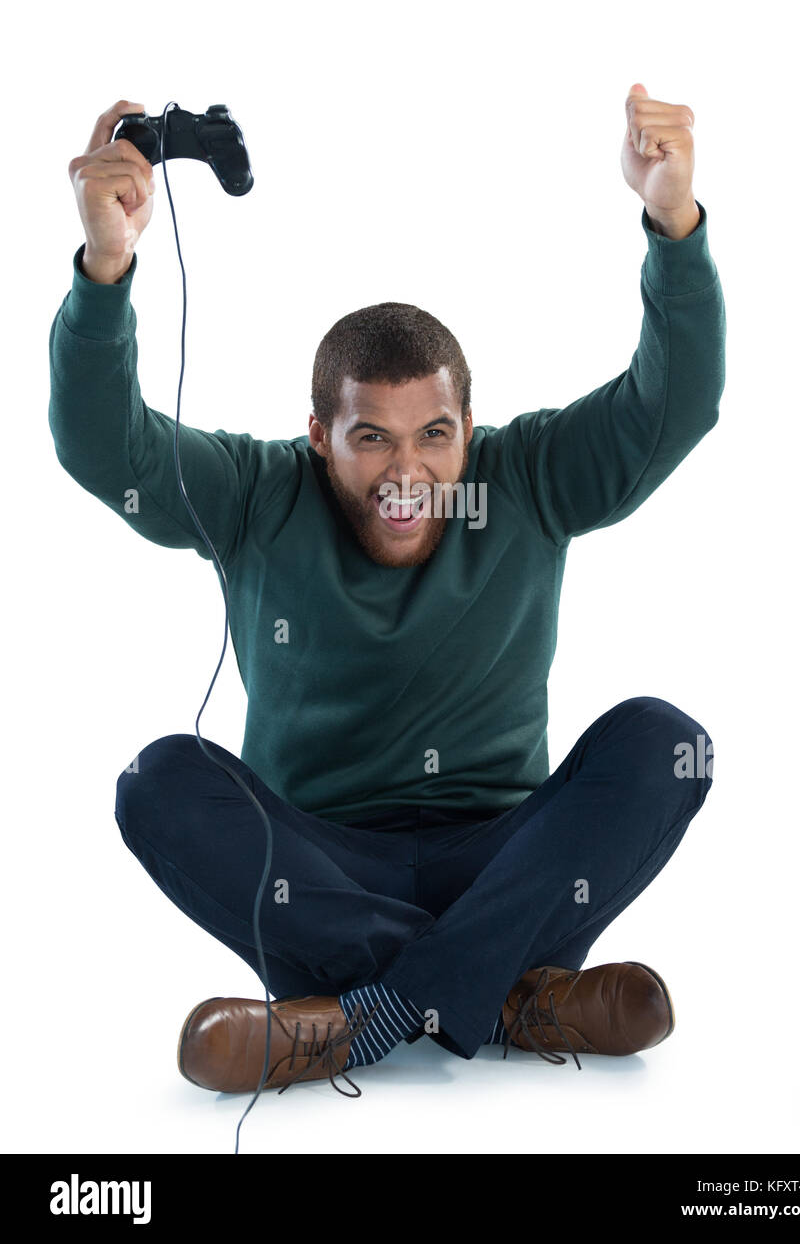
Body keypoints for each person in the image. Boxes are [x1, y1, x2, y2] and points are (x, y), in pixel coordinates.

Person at [49, 86, 725, 1098]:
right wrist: (106, 270)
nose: (405, 472)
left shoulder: (528, 474)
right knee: (159, 783)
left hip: (505, 859)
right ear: (319, 434)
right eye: (370, 437)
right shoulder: (255, 492)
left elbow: (669, 407)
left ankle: (366, 1012)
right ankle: (501, 997)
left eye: (432, 435)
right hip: (316, 870)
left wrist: (672, 224)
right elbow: (107, 448)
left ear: (469, 425)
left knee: (663, 742)